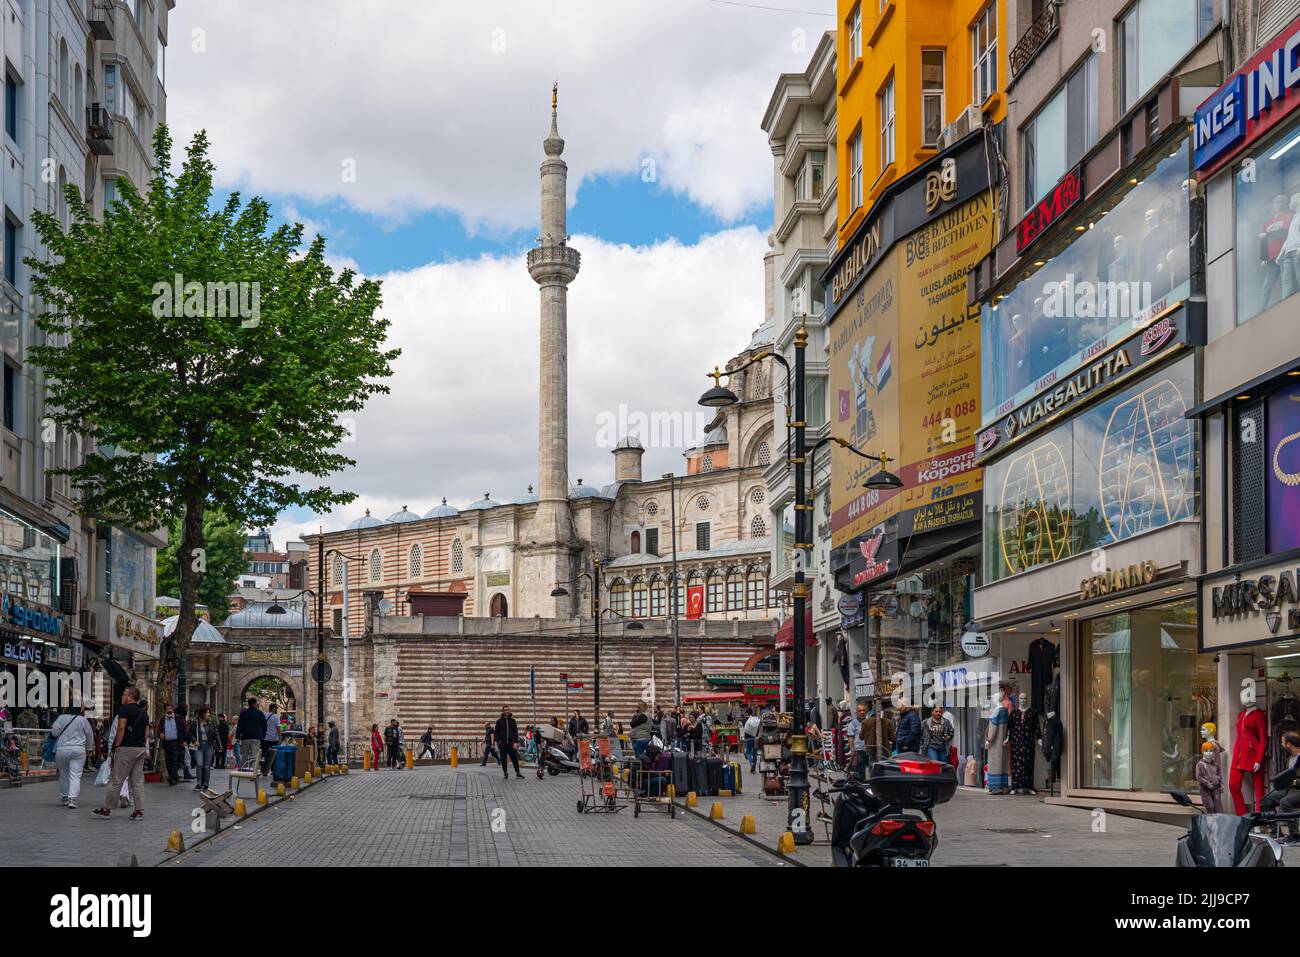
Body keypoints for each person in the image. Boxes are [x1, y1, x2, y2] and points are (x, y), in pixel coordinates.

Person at [93, 686, 149, 820]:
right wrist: (143, 746)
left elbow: (121, 727)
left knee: (117, 780)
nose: (122, 697)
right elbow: (147, 732)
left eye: (124, 694)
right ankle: (138, 811)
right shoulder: (143, 713)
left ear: (130, 697)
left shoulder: (124, 710)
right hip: (140, 749)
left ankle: (106, 809)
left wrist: (117, 745)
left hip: (126, 749)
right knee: (137, 781)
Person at [51, 705, 94, 809]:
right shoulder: (83, 720)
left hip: (62, 750)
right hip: (78, 750)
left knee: (63, 774)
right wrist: (89, 748)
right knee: (75, 775)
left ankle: (64, 796)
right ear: (79, 709)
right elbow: (89, 734)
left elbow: (54, 732)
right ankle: (72, 799)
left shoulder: (61, 718)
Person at [1261, 731, 1300, 844]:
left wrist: (1293, 781)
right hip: (1289, 789)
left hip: (1297, 789)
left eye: (1282, 742)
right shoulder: (1290, 758)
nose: (1281, 744)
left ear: (1289, 744)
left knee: (1285, 802)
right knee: (1267, 799)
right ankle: (1275, 832)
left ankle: (1295, 835)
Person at [189, 706, 219, 790]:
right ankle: (199, 783)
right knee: (199, 764)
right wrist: (194, 740)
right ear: (202, 714)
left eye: (209, 712)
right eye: (207, 713)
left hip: (208, 746)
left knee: (207, 766)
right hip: (199, 747)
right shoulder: (195, 723)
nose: (208, 714)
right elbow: (190, 733)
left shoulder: (211, 723)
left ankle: (205, 784)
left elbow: (216, 733)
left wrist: (219, 745)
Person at [157, 703, 186, 786]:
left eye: (170, 709)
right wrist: (160, 734)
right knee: (168, 761)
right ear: (165, 710)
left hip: (176, 742)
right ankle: (173, 777)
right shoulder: (162, 719)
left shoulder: (178, 718)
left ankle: (172, 778)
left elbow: (185, 729)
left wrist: (184, 740)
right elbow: (158, 730)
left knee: (174, 761)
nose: (169, 710)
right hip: (167, 743)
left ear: (172, 709)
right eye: (167, 709)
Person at [495, 706, 523, 779]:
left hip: (511, 743)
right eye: (505, 710)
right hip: (503, 743)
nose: (507, 711)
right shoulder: (499, 721)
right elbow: (496, 733)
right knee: (503, 759)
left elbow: (515, 732)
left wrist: (516, 742)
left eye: (508, 710)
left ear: (510, 711)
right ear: (503, 711)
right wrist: (498, 742)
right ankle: (505, 773)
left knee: (514, 758)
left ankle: (518, 772)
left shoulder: (513, 721)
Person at [261, 702, 281, 775]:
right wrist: (280, 737)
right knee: (273, 755)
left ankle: (264, 771)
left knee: (264, 755)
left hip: (265, 738)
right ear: (274, 709)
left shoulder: (264, 715)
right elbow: (278, 728)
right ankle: (272, 770)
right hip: (273, 739)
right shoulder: (276, 717)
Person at [742, 708, 761, 774]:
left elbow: (745, 729)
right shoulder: (755, 719)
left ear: (747, 713)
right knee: (755, 754)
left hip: (748, 738)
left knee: (748, 753)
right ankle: (754, 769)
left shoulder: (745, 720)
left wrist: (744, 738)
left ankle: (752, 764)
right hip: (755, 738)